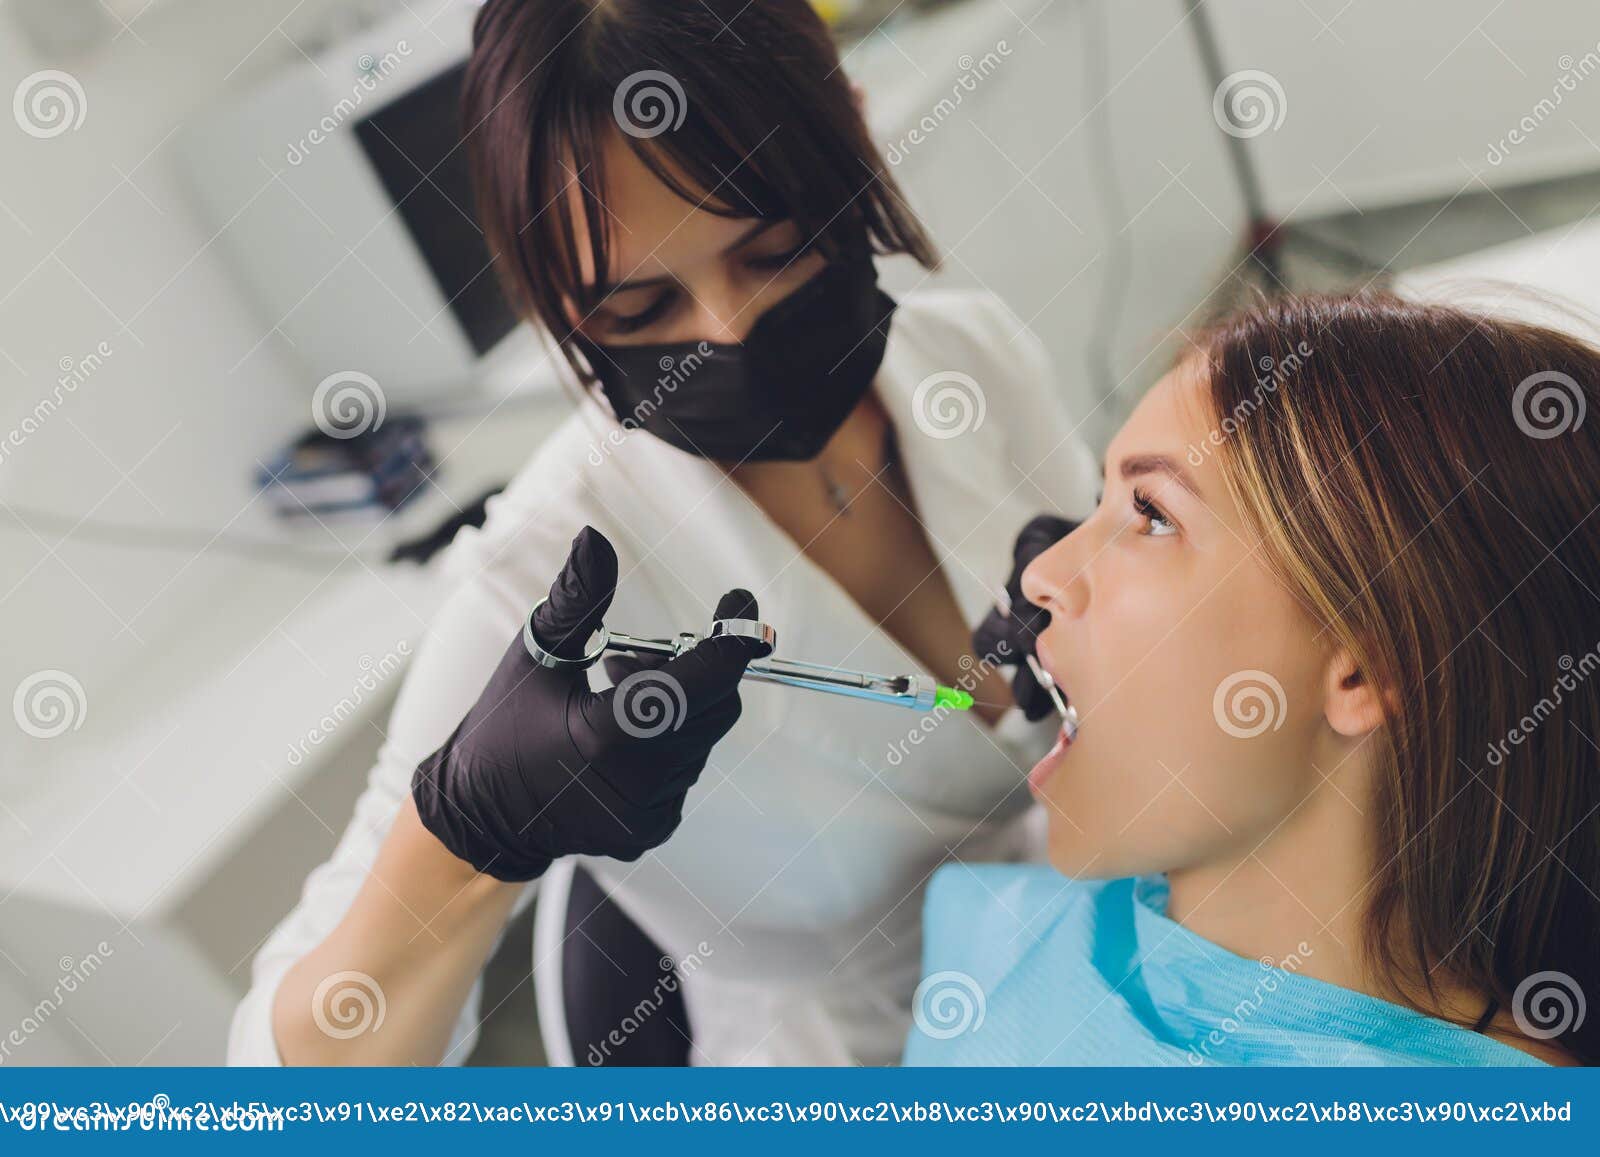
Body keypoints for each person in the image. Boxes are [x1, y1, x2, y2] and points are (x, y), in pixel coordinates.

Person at [228, 0, 1097, 1066]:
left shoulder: (974, 356)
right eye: (639, 313)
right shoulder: (537, 582)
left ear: (859, 144)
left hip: (1103, 951)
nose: (726, 332)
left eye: (775, 251)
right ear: (550, 301)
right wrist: (462, 852)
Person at [907, 291, 1599, 1066]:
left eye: (1152, 512)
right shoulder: (984, 929)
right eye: (1098, 503)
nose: (1040, 573)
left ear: (1367, 668)